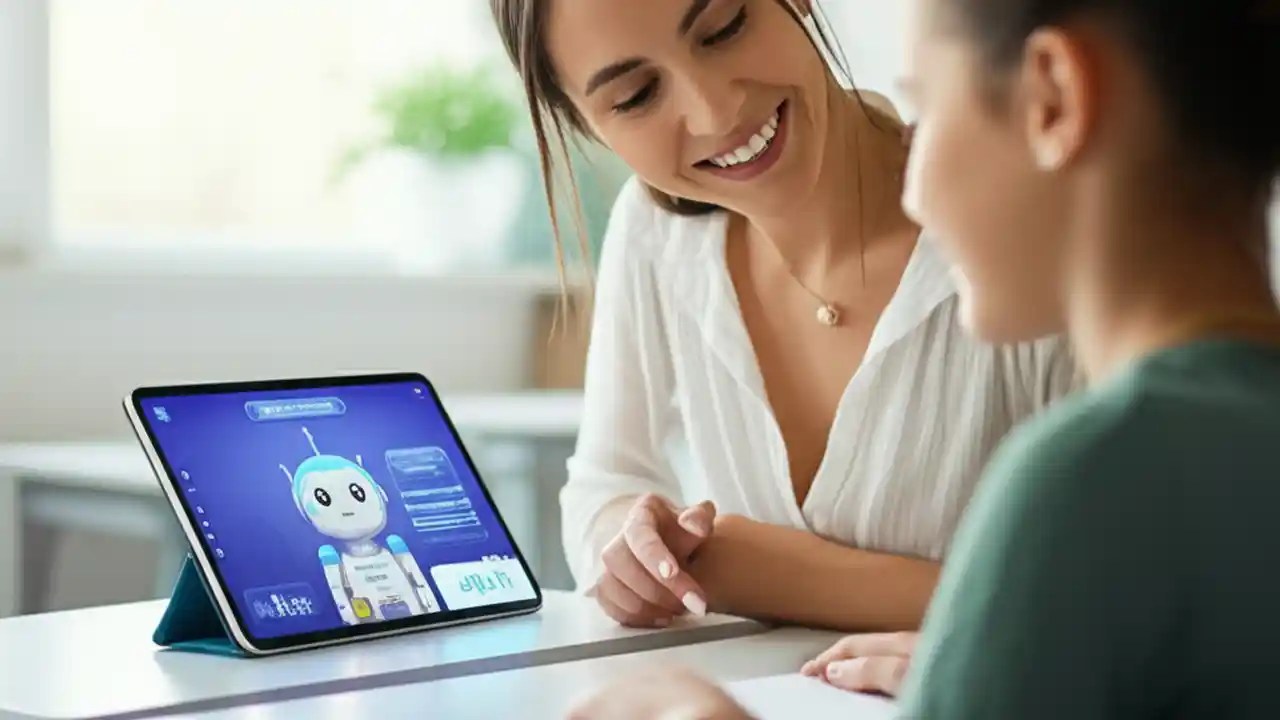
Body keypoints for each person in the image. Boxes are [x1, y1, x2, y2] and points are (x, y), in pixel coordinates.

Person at [566, 0, 1280, 715]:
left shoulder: (1080, 474)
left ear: (1054, 98)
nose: (914, 190)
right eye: (634, 95)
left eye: (925, 111)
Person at [490, 0, 1077, 634]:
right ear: (588, 126)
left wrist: (779, 575)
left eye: (725, 29)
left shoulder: (1021, 209)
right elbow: (605, 482)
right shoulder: (656, 231)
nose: (715, 111)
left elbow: (1120, 597)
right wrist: (637, 550)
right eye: (636, 97)